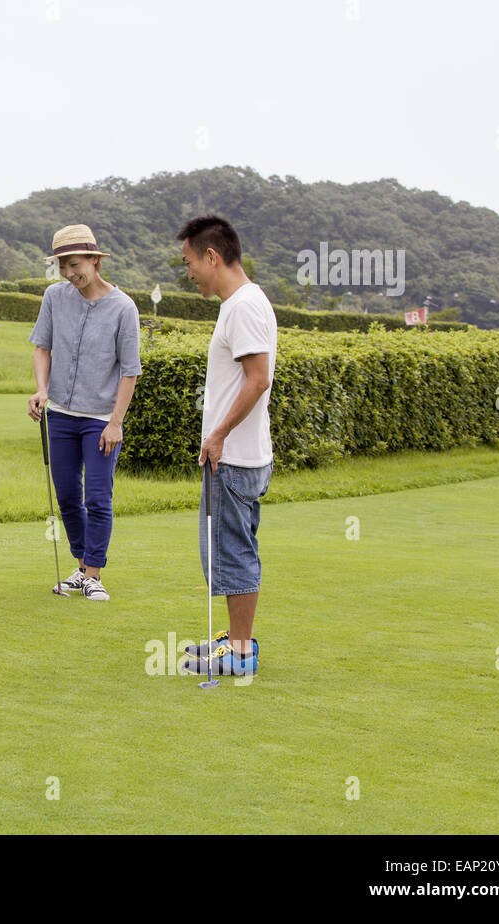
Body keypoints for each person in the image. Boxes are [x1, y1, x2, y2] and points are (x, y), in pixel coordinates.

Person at [177, 215, 277, 679]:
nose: (189, 272)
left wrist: (216, 434)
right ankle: (236, 642)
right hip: (240, 452)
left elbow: (259, 380)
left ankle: (239, 653)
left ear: (211, 256)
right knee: (233, 548)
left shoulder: (242, 307)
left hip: (234, 456)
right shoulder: (242, 303)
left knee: (234, 552)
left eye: (190, 262)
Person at [27, 224, 141, 601]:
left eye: (74, 265)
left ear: (95, 260)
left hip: (100, 421)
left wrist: (115, 423)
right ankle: (80, 567)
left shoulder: (124, 308)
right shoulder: (54, 297)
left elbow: (130, 370)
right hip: (59, 414)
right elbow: (42, 347)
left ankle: (94, 573)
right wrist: (42, 390)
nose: (68, 273)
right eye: (62, 266)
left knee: (97, 496)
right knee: (66, 496)